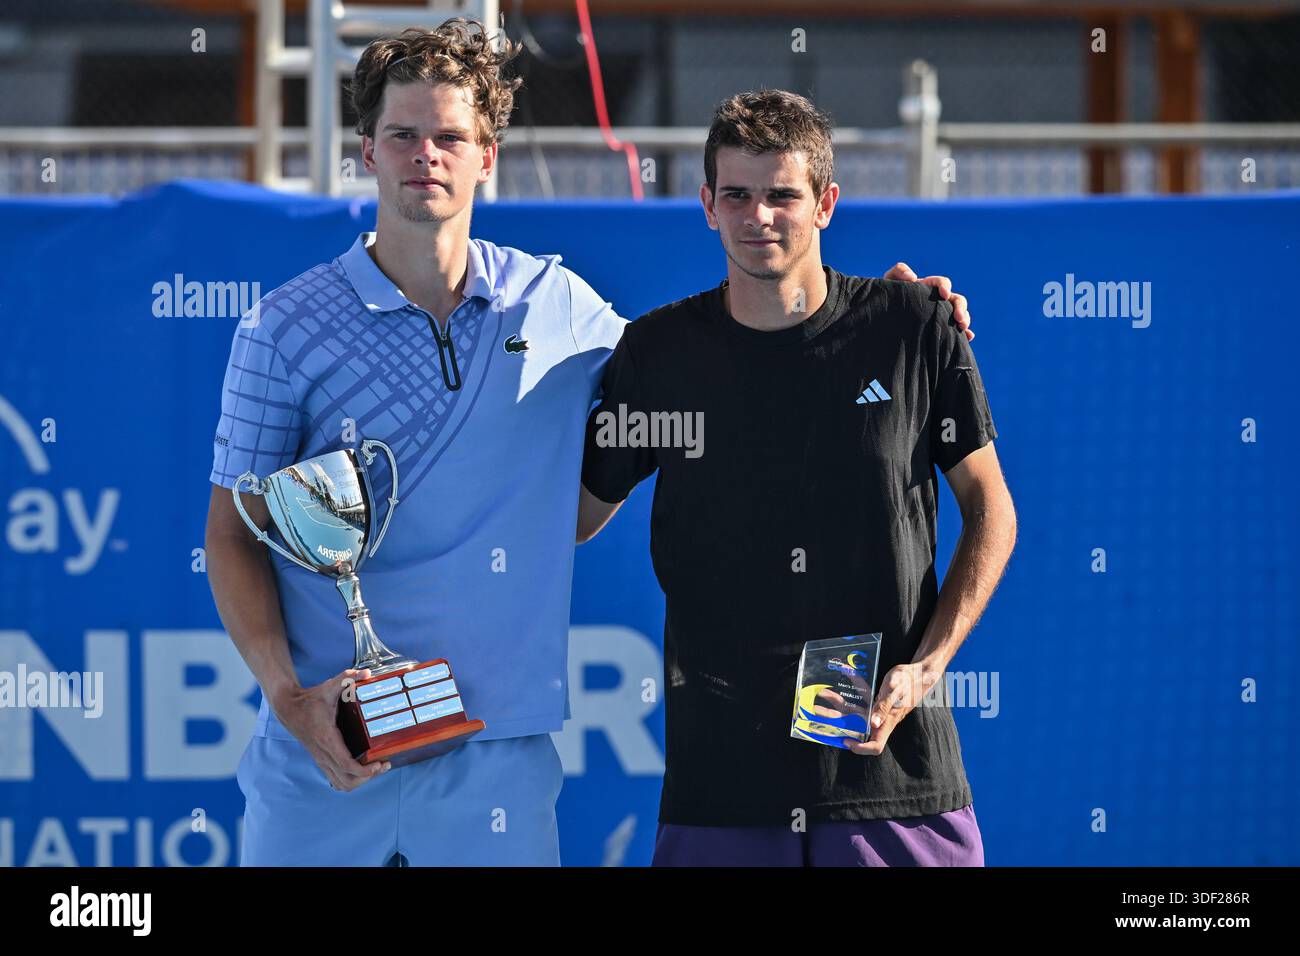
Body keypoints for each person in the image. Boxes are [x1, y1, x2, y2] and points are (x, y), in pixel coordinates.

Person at [204, 20, 974, 867]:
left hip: (497, 756)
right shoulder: (280, 327)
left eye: (451, 136)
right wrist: (288, 697)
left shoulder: (558, 306)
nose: (427, 154)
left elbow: (729, 352)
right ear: (367, 151)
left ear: (487, 155)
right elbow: (233, 533)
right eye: (404, 135)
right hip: (329, 743)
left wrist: (882, 317)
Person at [577, 89, 1016, 867]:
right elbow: (573, 515)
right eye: (738, 195)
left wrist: (928, 666)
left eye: (783, 194)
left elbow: (991, 511)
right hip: (722, 791)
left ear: (826, 203)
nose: (759, 217)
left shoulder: (915, 328)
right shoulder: (658, 357)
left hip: (893, 778)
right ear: (707, 204)